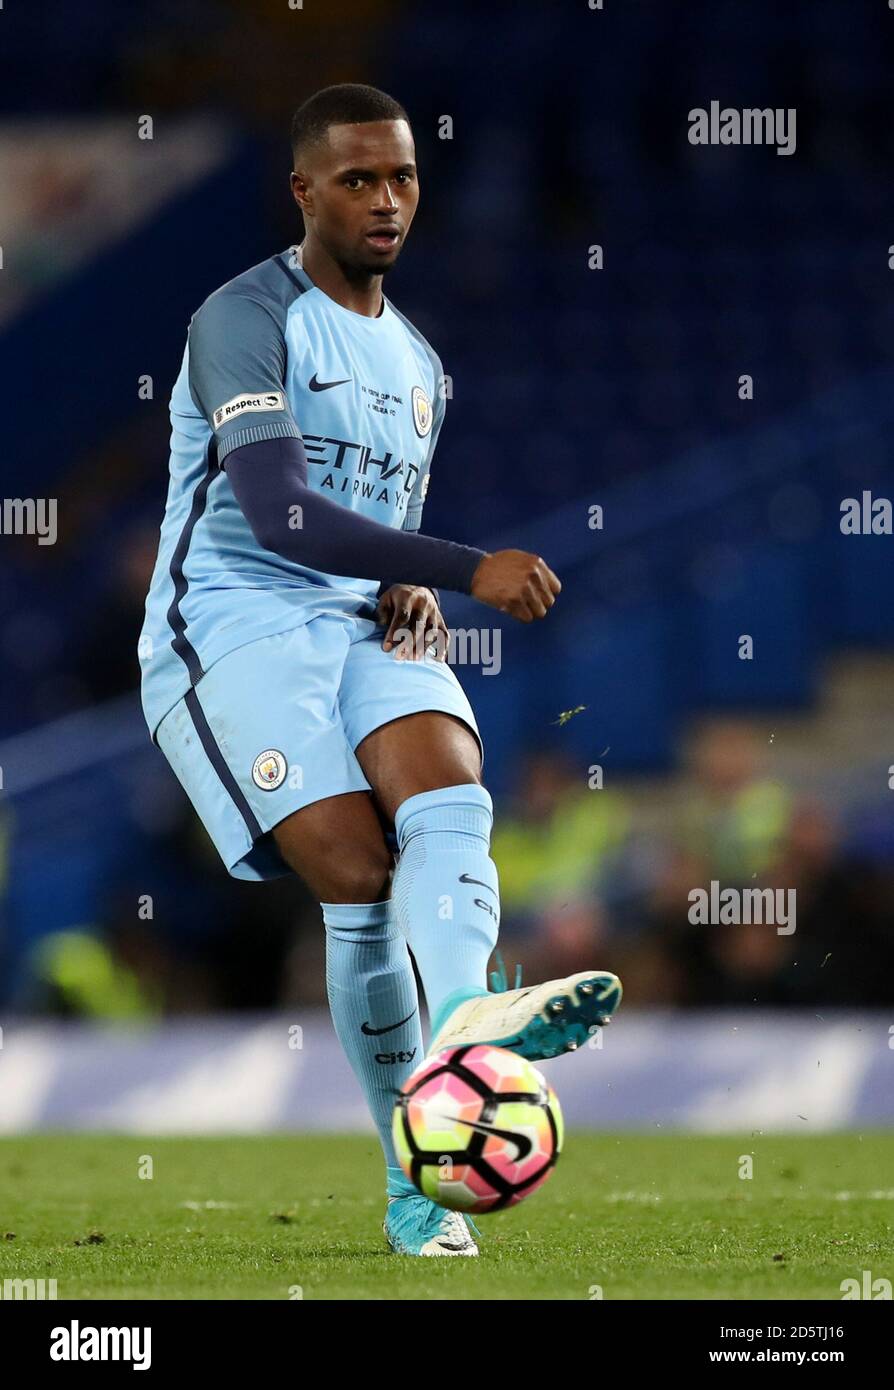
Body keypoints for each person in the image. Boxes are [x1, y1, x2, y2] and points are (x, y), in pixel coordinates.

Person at [139, 83, 622, 1257]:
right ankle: (416, 1188)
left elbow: (363, 519)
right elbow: (282, 517)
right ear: (304, 191)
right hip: (234, 623)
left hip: (359, 620)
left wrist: (407, 580)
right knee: (356, 874)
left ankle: (464, 1018)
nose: (387, 198)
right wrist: (461, 566)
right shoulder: (243, 317)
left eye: (402, 175)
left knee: (450, 783)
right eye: (357, 179)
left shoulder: (421, 364)